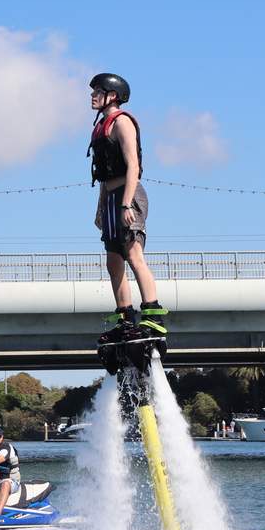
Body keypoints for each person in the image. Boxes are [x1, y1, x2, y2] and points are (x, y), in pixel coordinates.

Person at [87, 73, 167, 343]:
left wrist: (125, 203)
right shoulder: (100, 126)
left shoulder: (122, 122)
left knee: (133, 254)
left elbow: (133, 166)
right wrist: (102, 208)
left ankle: (153, 313)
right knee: (113, 260)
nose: (92, 95)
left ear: (113, 95)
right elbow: (102, 174)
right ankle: (125, 315)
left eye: (98, 91)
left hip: (128, 195)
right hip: (109, 197)